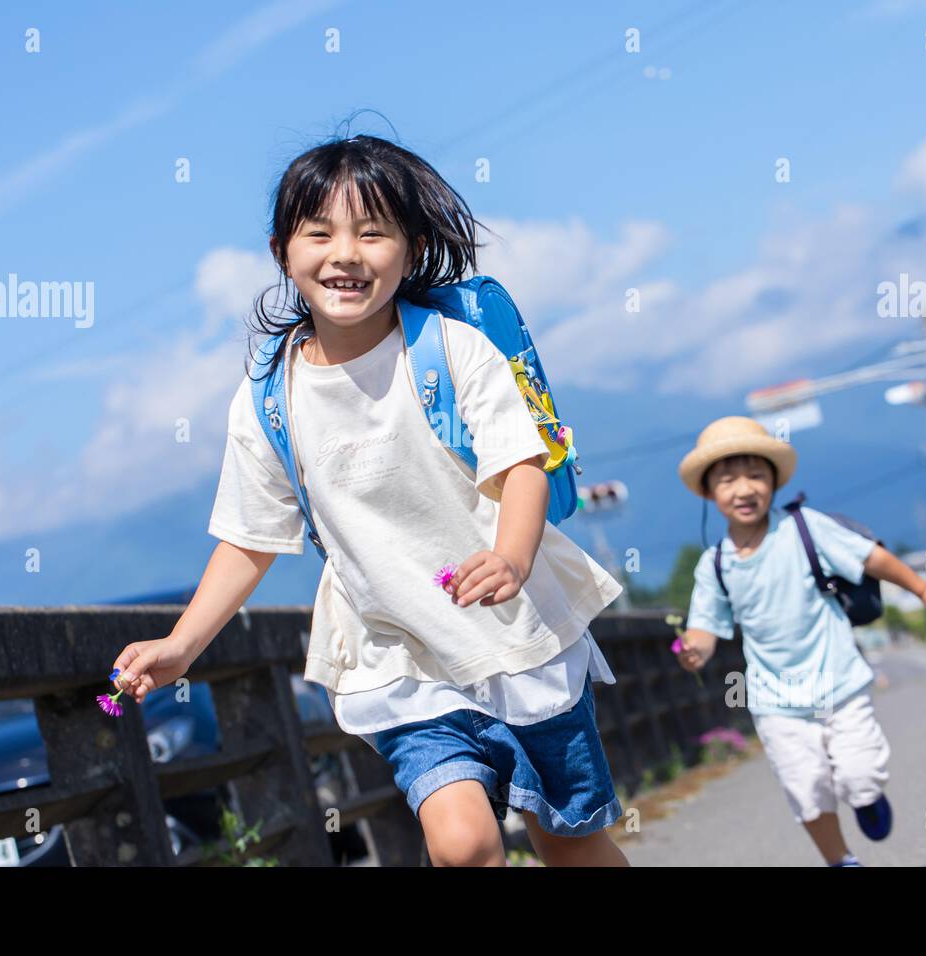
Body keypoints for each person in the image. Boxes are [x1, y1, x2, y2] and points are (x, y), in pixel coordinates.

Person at [109, 133, 628, 867]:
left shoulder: (451, 350)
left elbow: (524, 465)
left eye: (372, 232)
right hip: (401, 658)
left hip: (521, 639)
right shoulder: (268, 397)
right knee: (463, 844)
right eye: (318, 233)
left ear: (411, 250)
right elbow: (250, 539)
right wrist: (181, 644)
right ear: (282, 250)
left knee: (571, 842)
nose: (344, 255)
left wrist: (511, 558)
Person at [673, 416, 926, 866]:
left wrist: (924, 590)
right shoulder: (714, 565)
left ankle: (866, 797)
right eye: (728, 480)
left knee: (860, 774)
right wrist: (694, 650)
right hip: (774, 700)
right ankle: (840, 860)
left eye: (755, 475)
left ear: (774, 481)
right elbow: (705, 627)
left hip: (839, 683)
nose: (744, 489)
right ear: (710, 493)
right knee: (806, 787)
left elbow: (871, 557)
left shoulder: (804, 528)